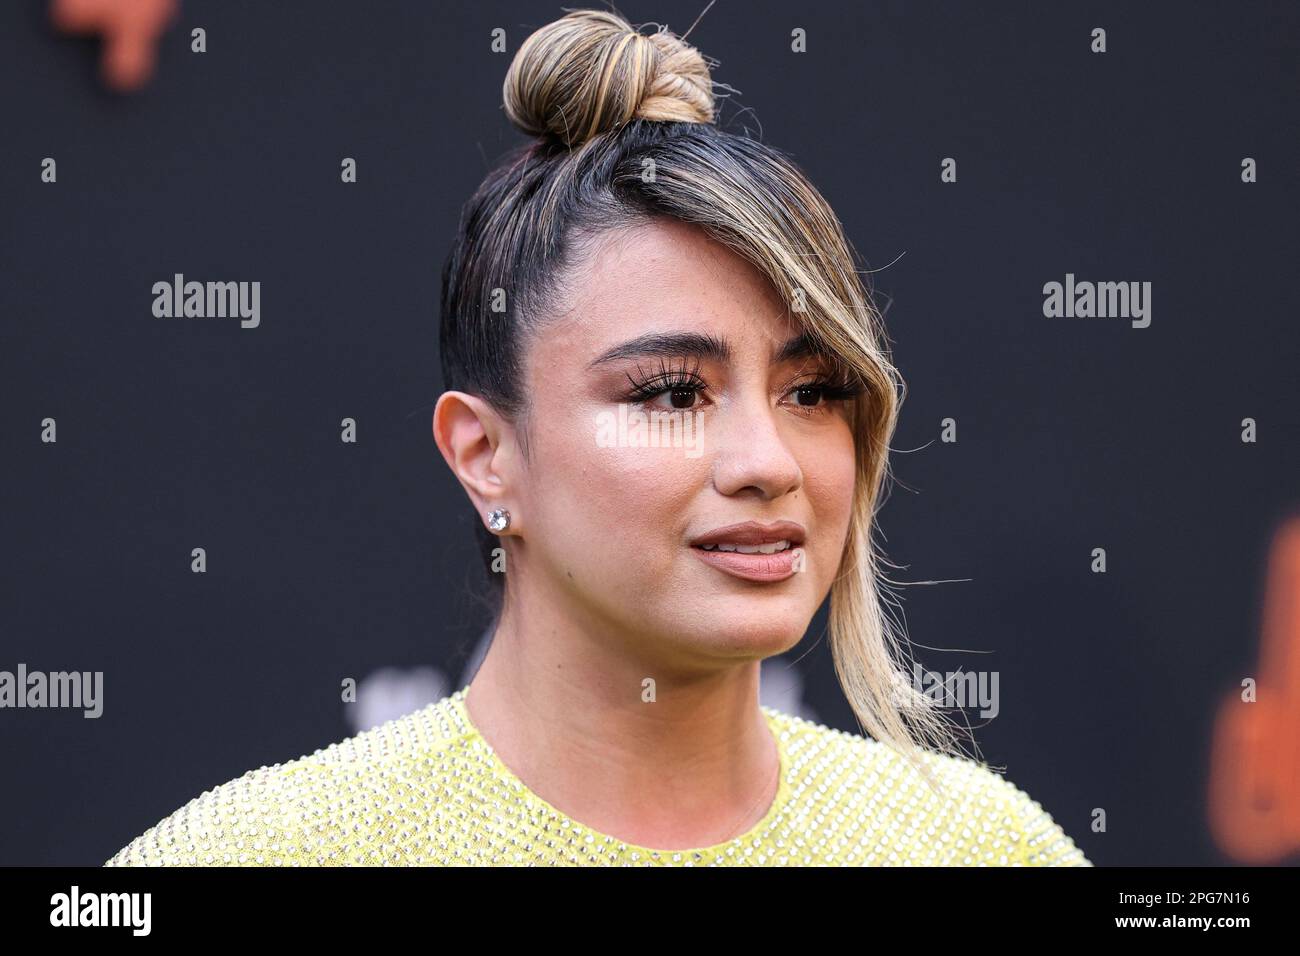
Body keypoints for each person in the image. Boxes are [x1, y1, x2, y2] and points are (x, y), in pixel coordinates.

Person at [105, 8, 1090, 867]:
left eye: (813, 390)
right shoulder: (253, 854)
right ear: (486, 455)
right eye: (669, 392)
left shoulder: (983, 847)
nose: (765, 463)